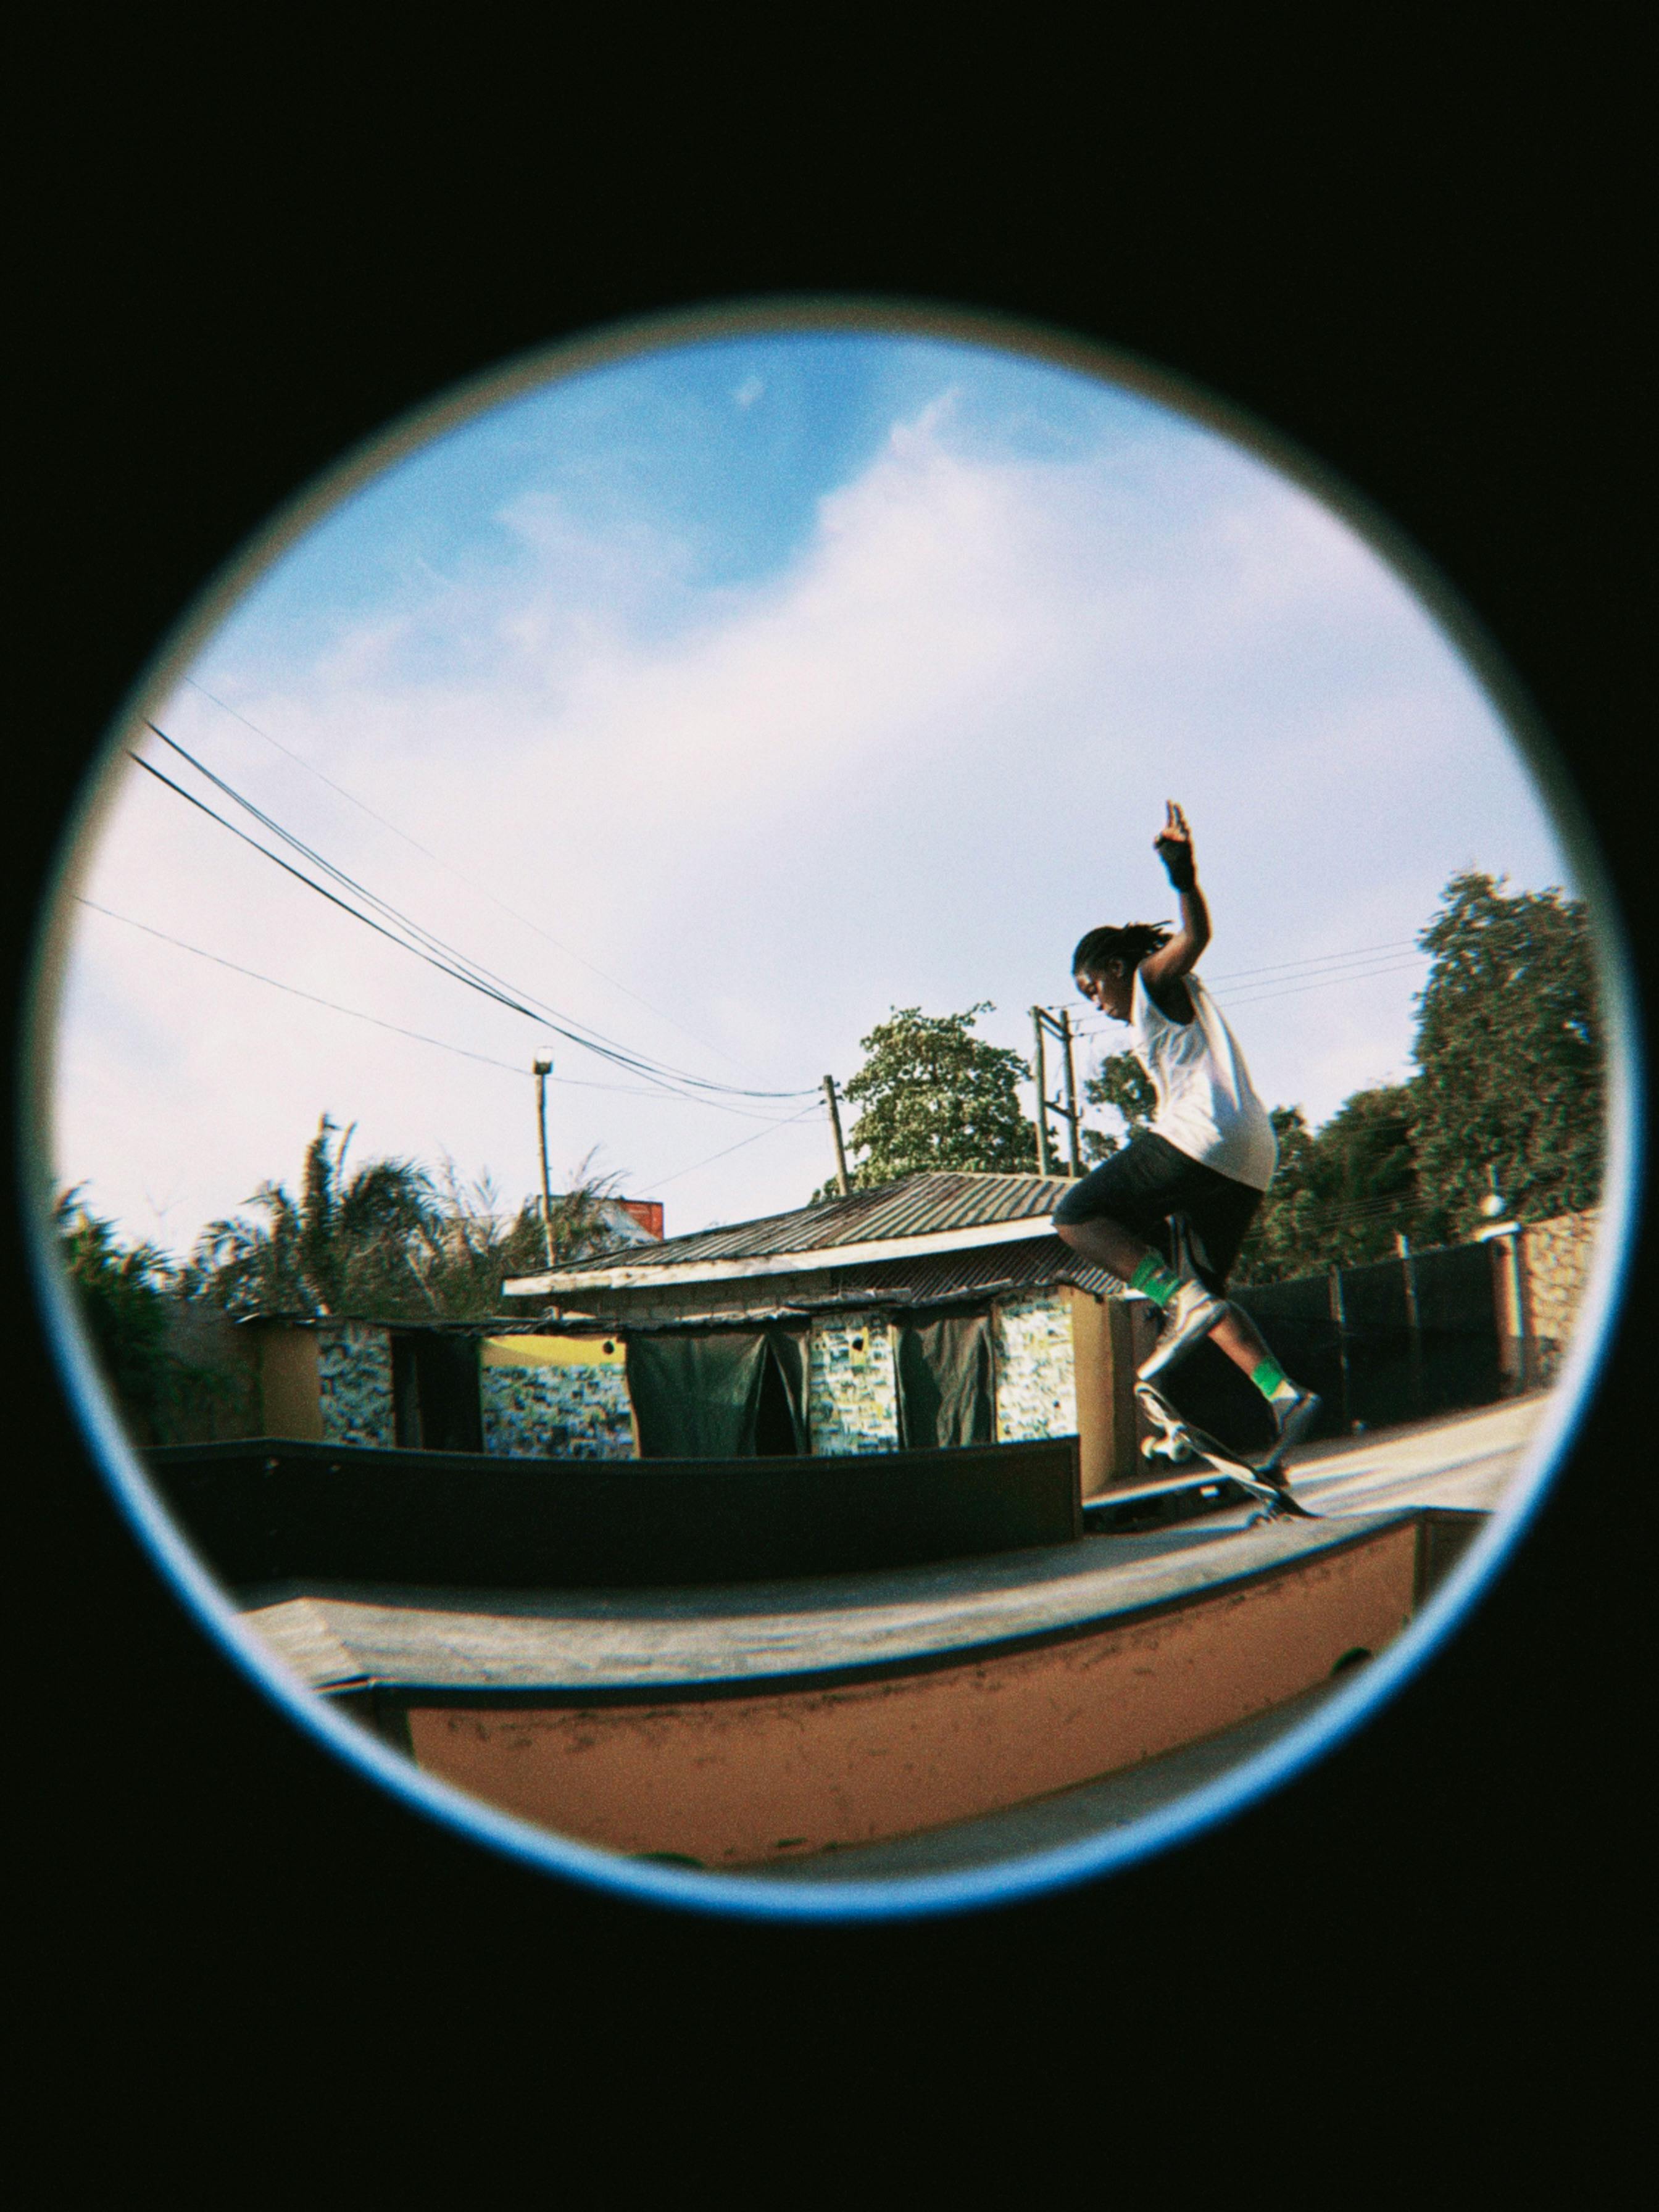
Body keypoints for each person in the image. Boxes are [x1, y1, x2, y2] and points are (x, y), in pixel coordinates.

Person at [1052, 800, 1319, 1476]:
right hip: (1250, 1155)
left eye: (1093, 988)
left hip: (1202, 1139)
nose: (1098, 1004)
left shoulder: (1150, 980)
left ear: (1115, 966)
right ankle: (1281, 1394)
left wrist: (1183, 875)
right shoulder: (1172, 1001)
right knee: (1206, 1299)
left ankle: (1176, 1300)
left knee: (1076, 1215)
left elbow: (1196, 935)